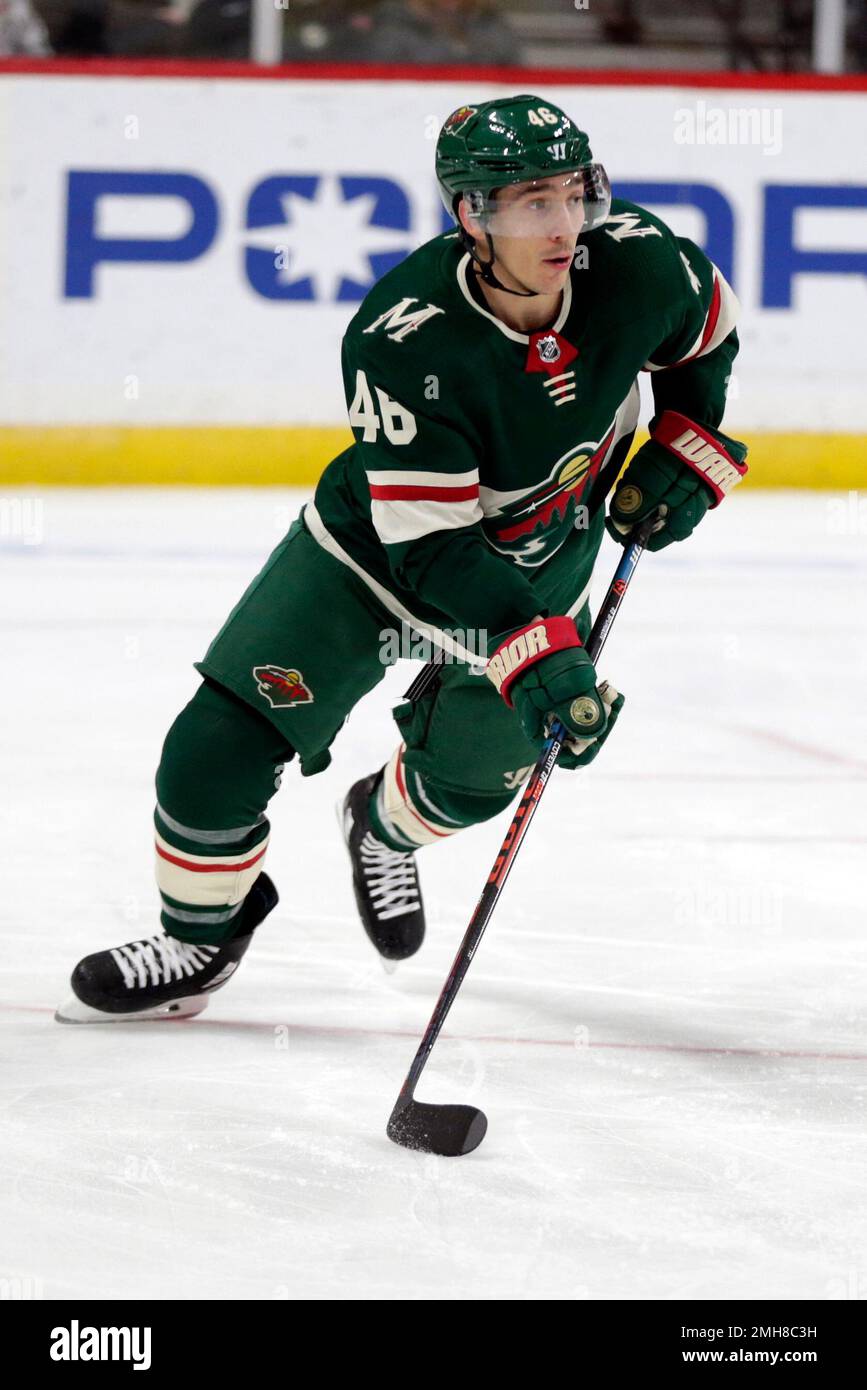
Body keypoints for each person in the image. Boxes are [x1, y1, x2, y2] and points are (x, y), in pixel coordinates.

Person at [57, 94, 747, 1024]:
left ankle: (379, 828)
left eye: (573, 192)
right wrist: (534, 648)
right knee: (211, 750)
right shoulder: (404, 338)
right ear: (471, 215)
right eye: (529, 199)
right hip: (373, 563)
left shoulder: (641, 262)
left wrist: (686, 439)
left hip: (539, 566)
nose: (561, 222)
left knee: (470, 785)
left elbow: (707, 337)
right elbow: (430, 547)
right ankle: (197, 941)